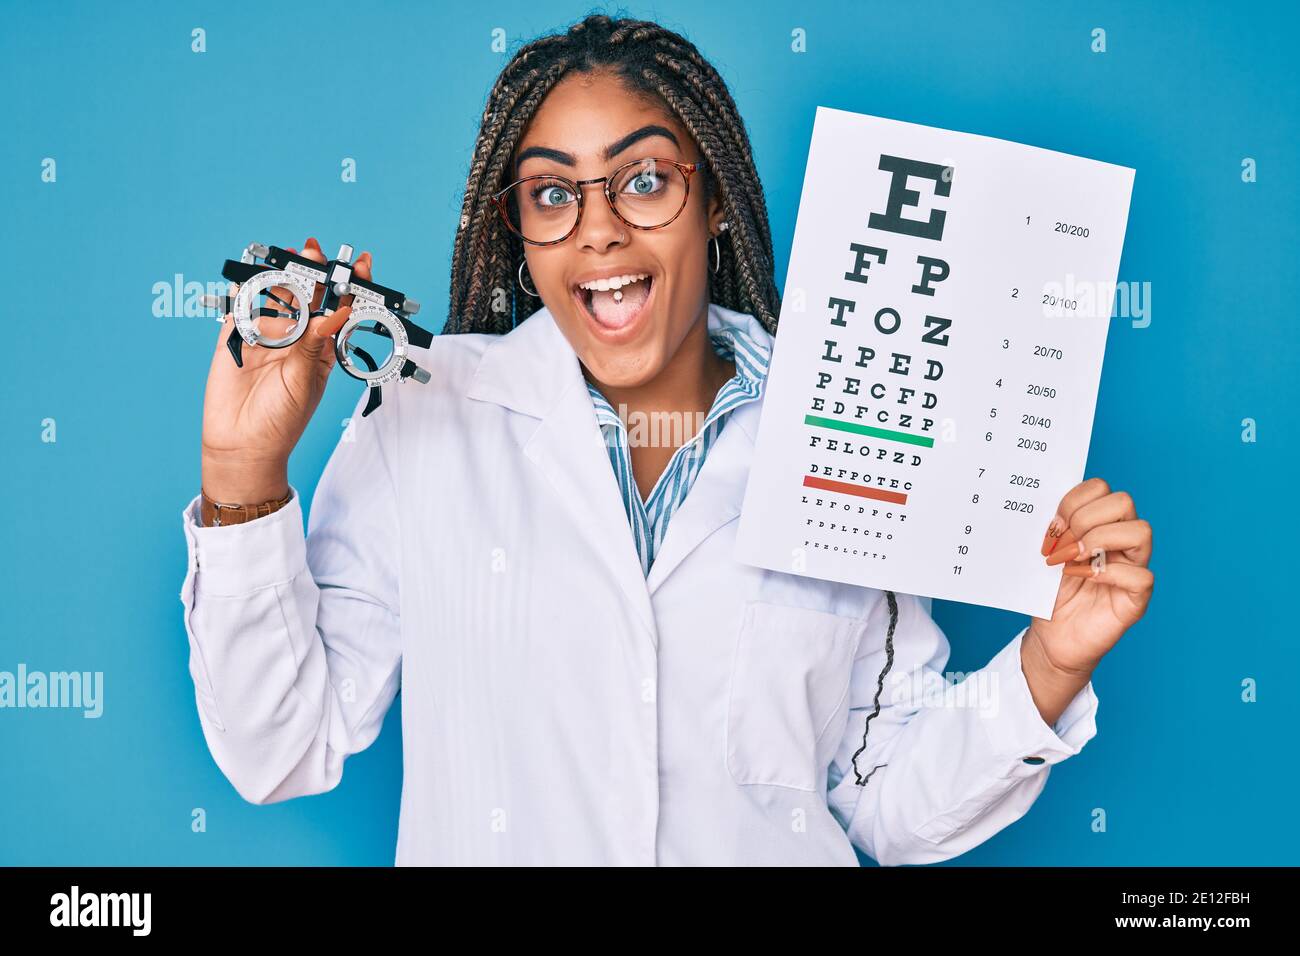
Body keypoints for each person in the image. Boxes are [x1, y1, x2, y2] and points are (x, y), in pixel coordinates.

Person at [180, 13, 1153, 866]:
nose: (597, 230)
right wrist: (242, 477)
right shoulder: (422, 412)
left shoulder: (845, 421)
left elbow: (888, 801)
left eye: (643, 179)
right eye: (553, 194)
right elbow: (281, 749)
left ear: (717, 197)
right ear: (518, 230)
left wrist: (1048, 665)